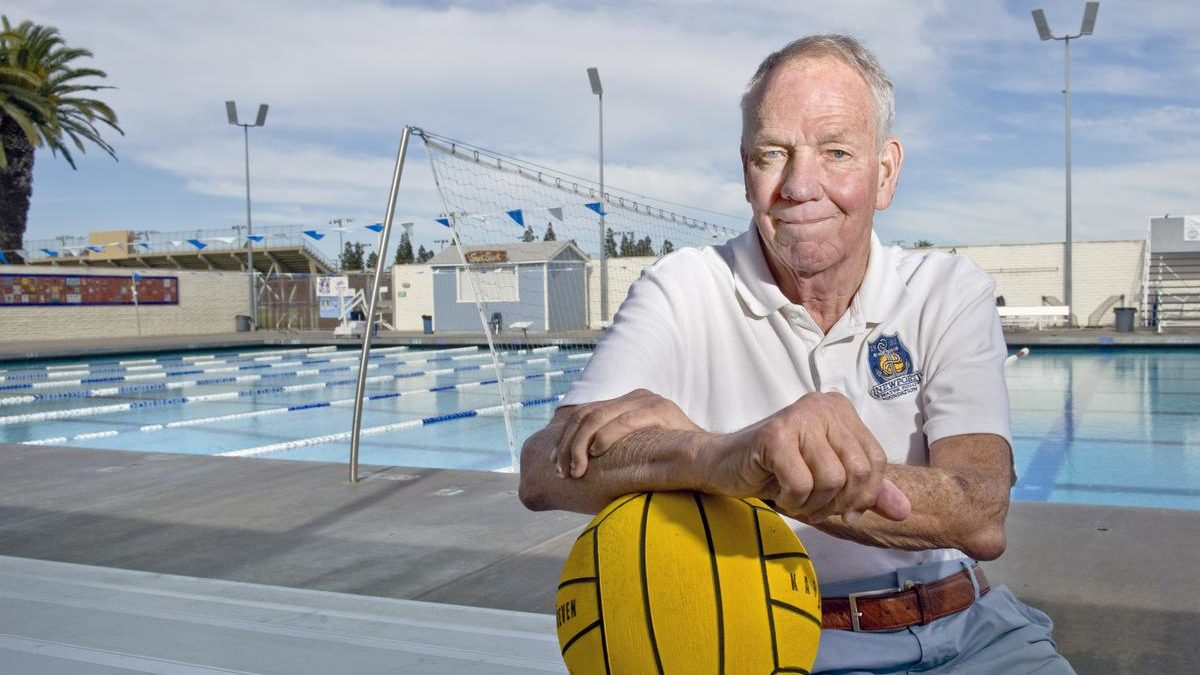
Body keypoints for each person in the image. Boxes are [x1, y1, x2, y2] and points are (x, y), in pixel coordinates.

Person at [519, 34, 1074, 674]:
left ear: (885, 172)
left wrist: (753, 464)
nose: (800, 185)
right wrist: (718, 455)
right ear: (745, 171)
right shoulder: (685, 287)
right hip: (777, 642)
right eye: (773, 154)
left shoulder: (946, 290)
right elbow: (543, 466)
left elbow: (978, 510)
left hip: (973, 631)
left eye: (836, 152)